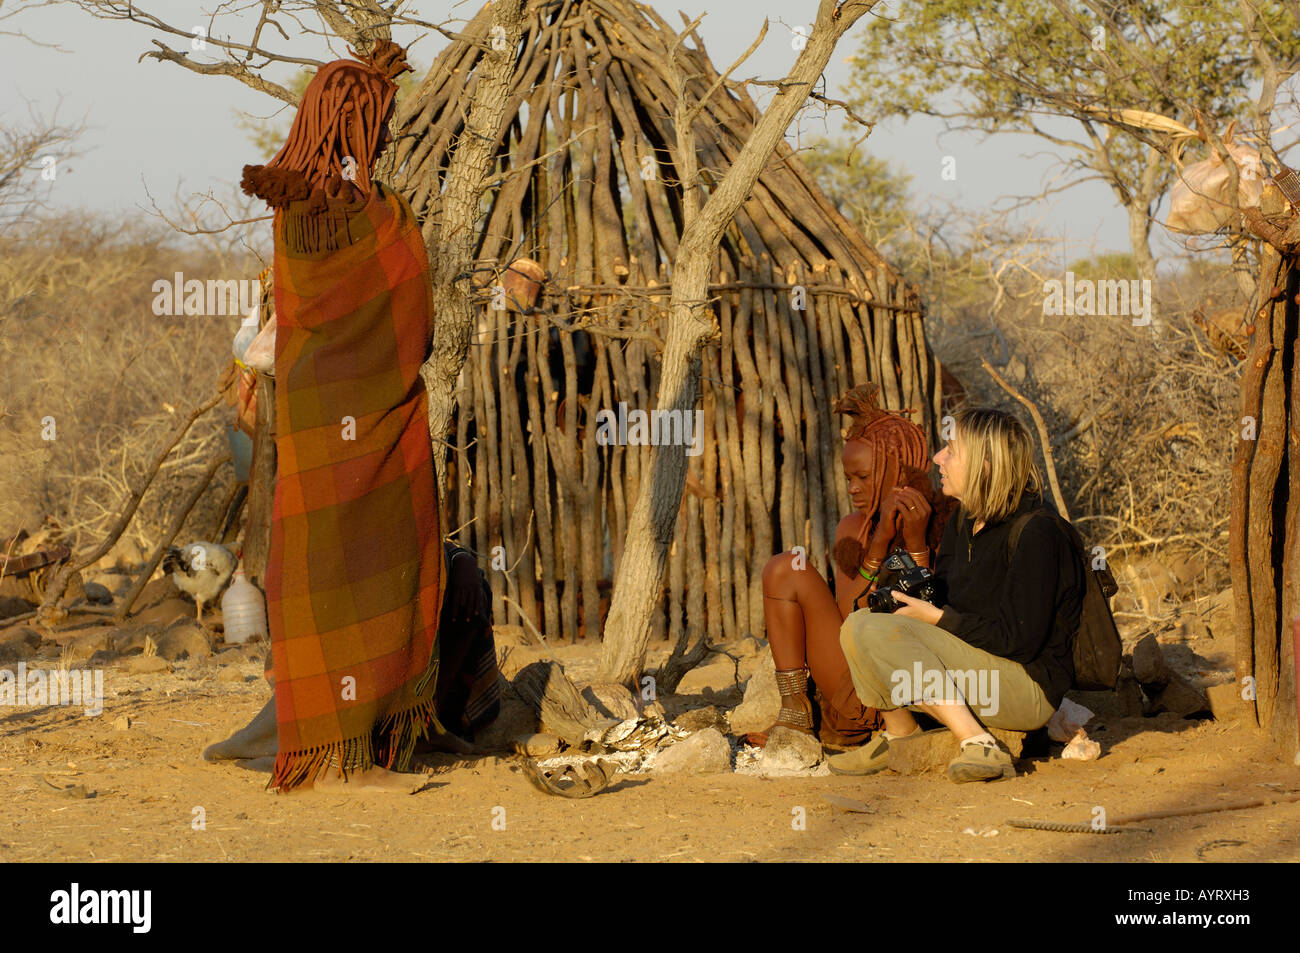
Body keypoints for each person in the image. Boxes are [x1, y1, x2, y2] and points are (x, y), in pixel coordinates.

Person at [231, 40, 482, 793]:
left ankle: (339, 746)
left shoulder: (290, 218)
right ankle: (355, 758)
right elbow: (415, 326)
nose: (385, 136)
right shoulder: (382, 220)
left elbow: (302, 324)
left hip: (310, 429)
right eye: (381, 121)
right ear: (360, 126)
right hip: (373, 428)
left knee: (318, 578)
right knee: (378, 579)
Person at [829, 407, 1085, 782]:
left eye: (951, 450)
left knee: (877, 630)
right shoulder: (966, 521)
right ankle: (900, 732)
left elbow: (1020, 641)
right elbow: (951, 603)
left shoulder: (1037, 532)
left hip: (1026, 690)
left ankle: (979, 744)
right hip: (983, 669)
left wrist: (935, 619)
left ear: (983, 464)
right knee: (858, 624)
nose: (938, 458)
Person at [749, 384, 949, 748]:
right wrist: (877, 544)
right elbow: (849, 617)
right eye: (848, 479)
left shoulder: (946, 519)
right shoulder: (853, 528)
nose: (853, 489)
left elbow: (931, 617)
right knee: (784, 567)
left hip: (921, 684)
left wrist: (917, 544)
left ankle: (901, 727)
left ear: (897, 469)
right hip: (858, 681)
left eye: (864, 477)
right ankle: (796, 714)